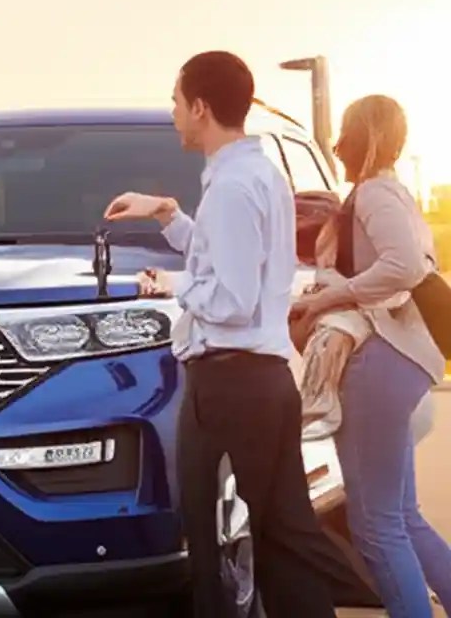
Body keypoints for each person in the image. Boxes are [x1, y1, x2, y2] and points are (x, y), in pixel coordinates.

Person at [104, 50, 357, 617]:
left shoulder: (233, 188)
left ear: (200, 107)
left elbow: (233, 299)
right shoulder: (257, 174)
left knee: (214, 533)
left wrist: (170, 285)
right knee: (282, 532)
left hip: (231, 382)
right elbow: (232, 260)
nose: (173, 113)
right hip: (255, 382)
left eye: (176, 101)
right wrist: (169, 214)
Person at [290, 94, 451, 616]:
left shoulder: (376, 194)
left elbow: (402, 267)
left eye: (345, 132)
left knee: (377, 525)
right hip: (405, 361)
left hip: (379, 362)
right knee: (403, 515)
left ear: (366, 136)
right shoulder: (394, 193)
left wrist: (333, 294)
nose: (337, 144)